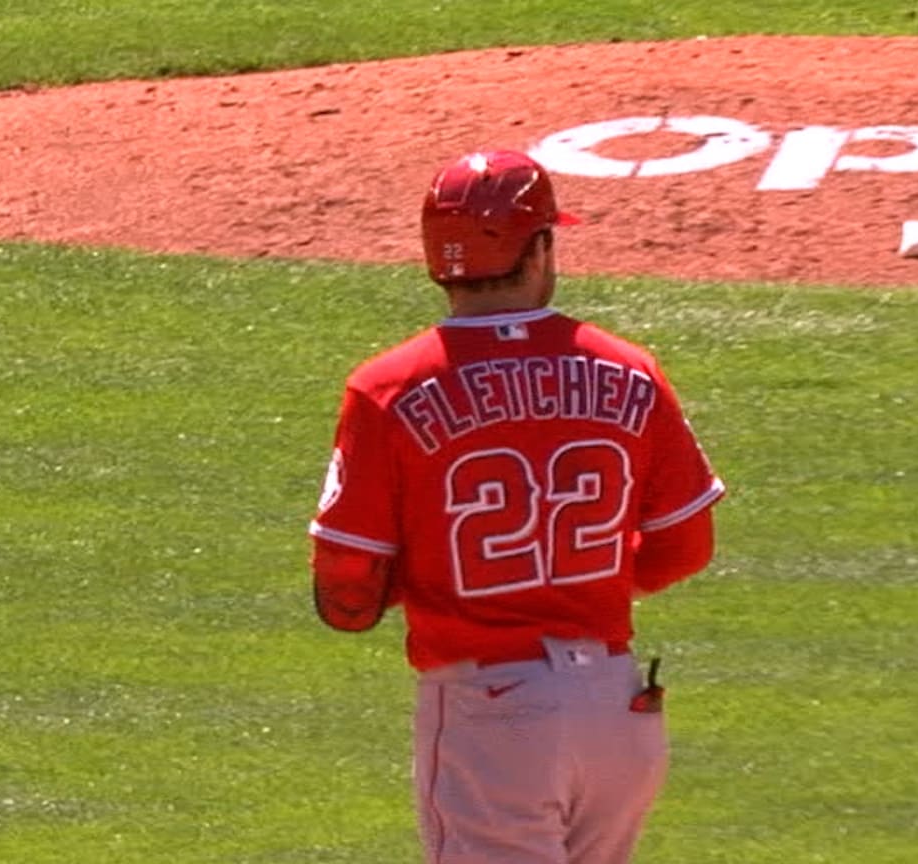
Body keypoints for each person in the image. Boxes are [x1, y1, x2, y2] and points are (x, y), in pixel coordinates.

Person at [307, 149, 725, 864]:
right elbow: (685, 546)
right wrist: (577, 584)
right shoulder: (628, 370)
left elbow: (347, 595)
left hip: (493, 716)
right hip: (618, 714)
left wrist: (435, 577)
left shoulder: (389, 389)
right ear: (539, 249)